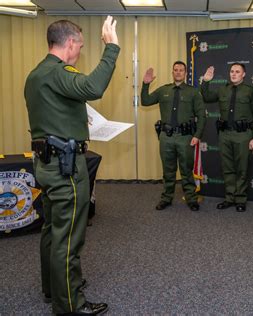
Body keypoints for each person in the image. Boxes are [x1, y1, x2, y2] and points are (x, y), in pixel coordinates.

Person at [24, 16, 120, 315]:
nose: (79, 50)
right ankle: (70, 305)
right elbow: (93, 86)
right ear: (68, 43)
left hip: (47, 164)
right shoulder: (58, 71)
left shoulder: (36, 74)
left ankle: (54, 289)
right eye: (79, 44)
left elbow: (56, 112)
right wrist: (112, 48)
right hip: (66, 167)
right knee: (68, 238)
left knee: (52, 230)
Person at [141, 61, 206, 212]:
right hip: (166, 137)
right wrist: (145, 84)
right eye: (175, 70)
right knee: (168, 170)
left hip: (185, 137)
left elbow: (202, 116)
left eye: (181, 70)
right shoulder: (164, 90)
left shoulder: (193, 92)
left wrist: (197, 135)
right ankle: (166, 198)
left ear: (185, 73)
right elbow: (145, 101)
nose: (178, 72)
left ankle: (191, 198)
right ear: (172, 72)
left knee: (186, 170)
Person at [200, 63, 253, 212]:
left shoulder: (250, 91)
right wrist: (206, 81)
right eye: (231, 71)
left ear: (243, 74)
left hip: (243, 135)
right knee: (227, 168)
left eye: (237, 72)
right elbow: (207, 97)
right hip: (225, 135)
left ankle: (240, 199)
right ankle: (229, 197)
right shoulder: (223, 89)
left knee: (242, 169)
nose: (233, 74)